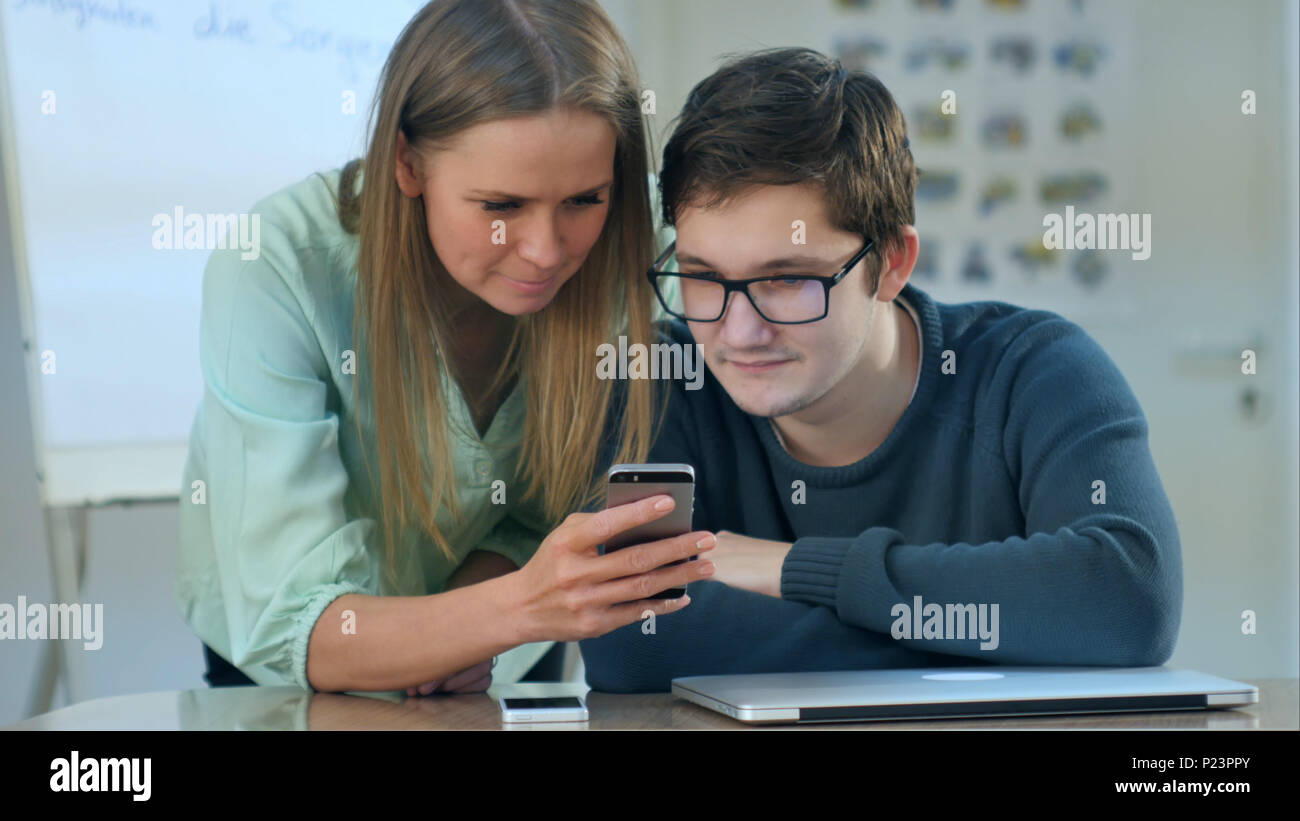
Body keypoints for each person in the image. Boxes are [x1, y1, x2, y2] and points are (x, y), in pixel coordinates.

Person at [580, 47, 1183, 692]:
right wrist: (998, 642)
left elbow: (1127, 600)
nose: (739, 332)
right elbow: (632, 643)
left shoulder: (1037, 370)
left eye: (786, 279)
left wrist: (791, 571)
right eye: (702, 278)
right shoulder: (656, 379)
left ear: (892, 261)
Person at [177, 0, 715, 695]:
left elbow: (543, 511)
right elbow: (294, 620)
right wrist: (507, 610)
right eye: (500, 207)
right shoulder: (276, 264)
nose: (547, 251)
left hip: (508, 648)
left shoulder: (643, 236)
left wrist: (483, 614)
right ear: (407, 163)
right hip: (299, 677)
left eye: (585, 199)